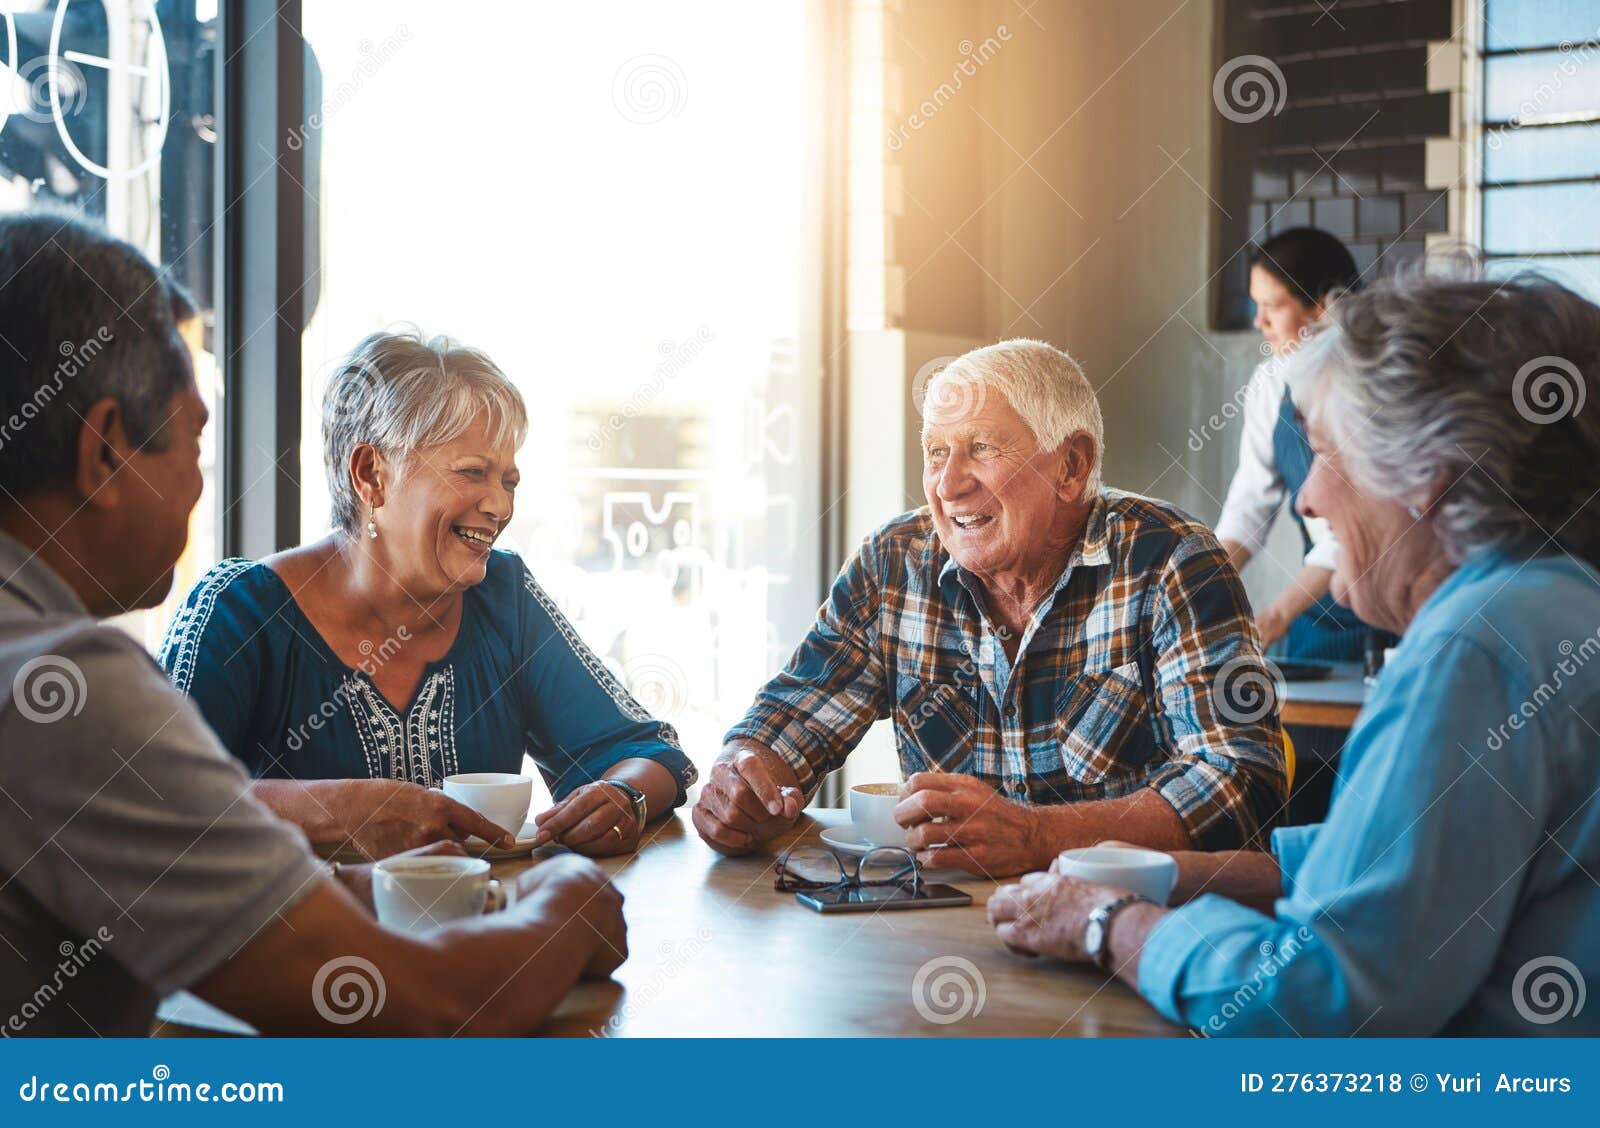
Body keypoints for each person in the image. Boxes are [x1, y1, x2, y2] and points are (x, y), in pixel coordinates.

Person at [0, 213, 627, 1035]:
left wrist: (367, 886)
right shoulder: (67, 687)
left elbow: (180, 866)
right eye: (195, 441)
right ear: (107, 450)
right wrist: (567, 906)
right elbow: (411, 1002)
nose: (199, 489)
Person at [987, 268, 1600, 1034]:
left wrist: (1108, 923)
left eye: (1322, 454)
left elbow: (1317, 1000)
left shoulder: (1471, 648)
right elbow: (1400, 874)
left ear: (1425, 478)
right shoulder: (1558, 601)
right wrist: (1173, 873)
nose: (1306, 499)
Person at [694, 339, 1286, 877]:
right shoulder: (894, 562)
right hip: (942, 930)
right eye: (935, 452)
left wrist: (1038, 836)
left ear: (1071, 466)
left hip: (1121, 937)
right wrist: (744, 773)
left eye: (980, 448)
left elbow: (1240, 783)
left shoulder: (1173, 559)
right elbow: (791, 717)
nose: (948, 485)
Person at [157, 330, 696, 859]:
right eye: (472, 473)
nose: (500, 507)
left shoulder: (503, 599)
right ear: (371, 475)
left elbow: (650, 752)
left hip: (474, 938)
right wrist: (342, 808)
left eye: (508, 481)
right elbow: (154, 798)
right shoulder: (236, 610)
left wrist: (624, 796)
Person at [1215, 227, 1371, 659]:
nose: (1258, 322)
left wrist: (1277, 616)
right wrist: (1197, 589)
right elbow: (1250, 504)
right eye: (1256, 305)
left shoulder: (1368, 386)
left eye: (1273, 306)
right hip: (1317, 613)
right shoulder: (1270, 383)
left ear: (1324, 304)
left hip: (1387, 610)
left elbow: (1354, 530)